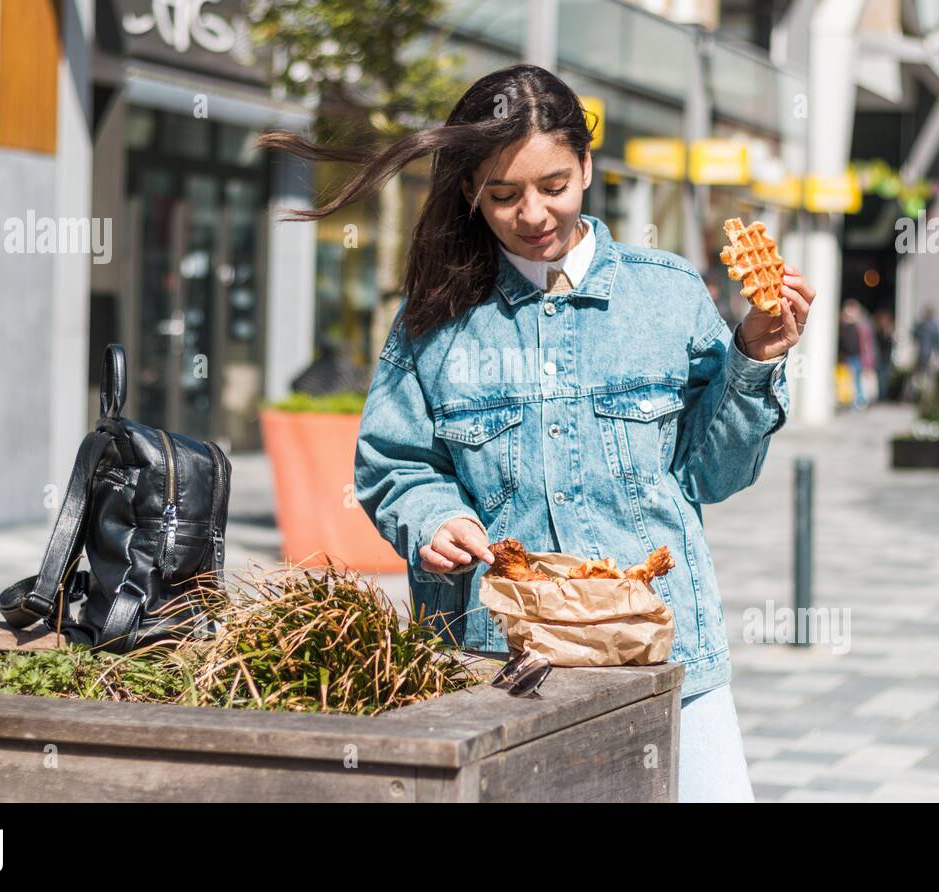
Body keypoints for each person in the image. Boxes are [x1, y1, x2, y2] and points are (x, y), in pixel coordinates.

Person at [260, 64, 815, 801]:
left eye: (554, 185)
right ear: (469, 192)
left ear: (587, 165)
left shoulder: (668, 295)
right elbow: (393, 464)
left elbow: (712, 476)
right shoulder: (436, 317)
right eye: (503, 194)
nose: (532, 214)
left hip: (661, 659)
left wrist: (752, 357)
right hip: (500, 672)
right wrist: (433, 517)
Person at [909, 304, 939, 404]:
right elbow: (938, 342)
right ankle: (926, 398)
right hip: (929, 355)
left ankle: (918, 397)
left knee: (919, 378)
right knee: (929, 379)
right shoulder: (934, 327)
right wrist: (938, 353)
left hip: (921, 354)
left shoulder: (920, 325)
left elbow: (913, 336)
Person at [838, 302, 863, 410]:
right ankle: (854, 401)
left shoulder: (855, 327)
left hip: (854, 357)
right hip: (851, 357)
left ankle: (858, 401)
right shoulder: (847, 327)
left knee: (855, 380)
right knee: (851, 380)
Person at [873, 308, 895, 402]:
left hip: (887, 359)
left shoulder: (888, 332)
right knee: (881, 378)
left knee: (884, 378)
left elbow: (891, 345)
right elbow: (879, 345)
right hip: (880, 358)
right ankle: (882, 397)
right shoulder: (879, 332)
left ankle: (883, 396)